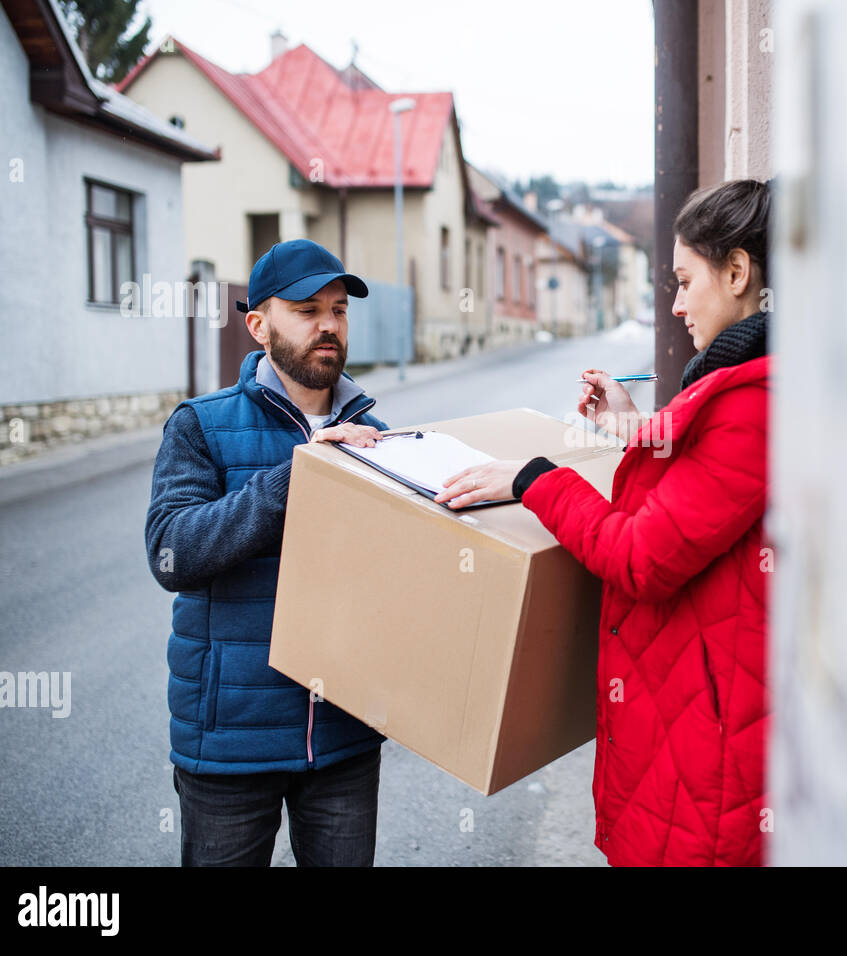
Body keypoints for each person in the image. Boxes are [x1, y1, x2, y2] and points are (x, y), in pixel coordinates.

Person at [435, 179, 773, 866]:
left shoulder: (758, 399)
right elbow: (704, 481)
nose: (676, 305)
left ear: (737, 272)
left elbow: (642, 556)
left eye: (685, 281)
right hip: (692, 723)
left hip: (706, 754)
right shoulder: (746, 385)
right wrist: (631, 426)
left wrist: (535, 480)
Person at [145, 239, 391, 866]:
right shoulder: (199, 425)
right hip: (231, 742)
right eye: (306, 310)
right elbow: (171, 552)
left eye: (338, 309)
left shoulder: (378, 438)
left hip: (342, 737)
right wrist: (295, 476)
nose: (328, 325)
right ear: (258, 325)